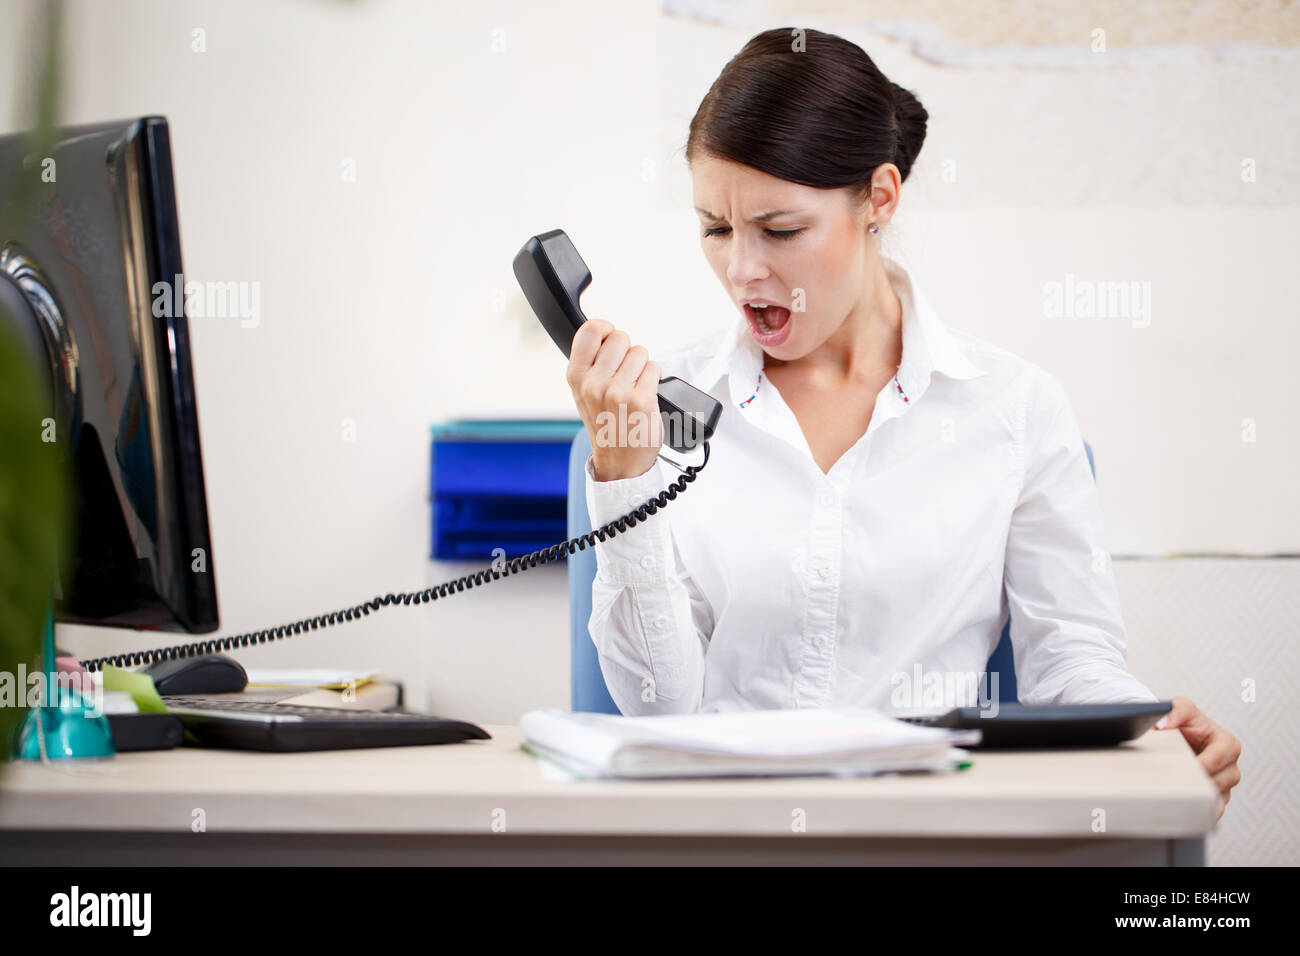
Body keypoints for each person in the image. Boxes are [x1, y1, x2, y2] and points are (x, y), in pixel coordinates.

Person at [565, 27, 1240, 819]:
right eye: (716, 228)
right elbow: (658, 709)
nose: (742, 270)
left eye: (779, 230)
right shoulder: (659, 416)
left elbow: (1071, 661)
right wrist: (624, 478)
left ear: (879, 199)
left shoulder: (1014, 409)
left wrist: (1151, 731)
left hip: (930, 834)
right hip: (722, 831)